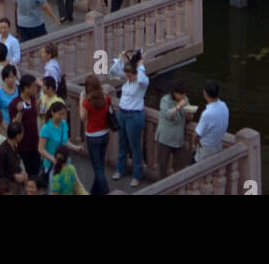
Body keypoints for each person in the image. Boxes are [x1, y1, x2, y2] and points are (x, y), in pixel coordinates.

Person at [110, 51, 149, 187]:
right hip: (122, 113)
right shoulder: (127, 81)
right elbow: (113, 72)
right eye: (127, 75)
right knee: (122, 143)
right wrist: (121, 58)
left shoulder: (141, 82)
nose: (128, 77)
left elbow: (142, 79)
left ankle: (137, 175)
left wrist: (141, 65)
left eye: (131, 75)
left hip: (134, 115)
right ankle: (120, 169)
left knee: (135, 146)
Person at [80, 74, 111, 195]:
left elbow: (83, 117)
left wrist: (81, 100)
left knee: (97, 168)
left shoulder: (87, 103)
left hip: (93, 136)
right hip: (105, 134)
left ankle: (106, 191)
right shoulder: (106, 98)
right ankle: (95, 190)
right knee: (100, 165)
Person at [155, 81, 191, 178]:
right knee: (162, 165)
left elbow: (187, 117)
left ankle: (177, 182)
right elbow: (166, 114)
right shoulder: (165, 100)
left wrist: (190, 114)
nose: (184, 95)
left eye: (185, 93)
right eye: (182, 93)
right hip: (165, 137)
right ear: (175, 93)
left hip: (179, 138)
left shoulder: (185, 99)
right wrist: (178, 106)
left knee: (184, 161)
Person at [9, 73, 41, 177]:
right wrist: (20, 111)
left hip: (35, 141)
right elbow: (15, 125)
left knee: (36, 169)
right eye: (33, 87)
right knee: (28, 171)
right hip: (23, 144)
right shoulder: (15, 103)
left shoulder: (32, 99)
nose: (35, 89)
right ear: (26, 88)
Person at [194, 80, 230, 161]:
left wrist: (194, 144)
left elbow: (196, 135)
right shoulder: (224, 105)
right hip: (218, 144)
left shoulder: (207, 113)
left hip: (207, 149)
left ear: (205, 94)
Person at [39, 101, 70, 183]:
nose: (62, 117)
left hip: (65, 162)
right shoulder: (46, 128)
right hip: (51, 164)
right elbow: (41, 149)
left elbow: (64, 141)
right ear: (53, 113)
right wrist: (52, 159)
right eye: (60, 114)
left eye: (63, 114)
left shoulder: (64, 124)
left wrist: (76, 147)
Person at [0, 122, 27, 194]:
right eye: (22, 133)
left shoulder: (14, 146)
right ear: (17, 135)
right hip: (7, 189)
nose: (23, 135)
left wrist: (22, 172)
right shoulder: (2, 151)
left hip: (16, 186)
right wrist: (14, 177)